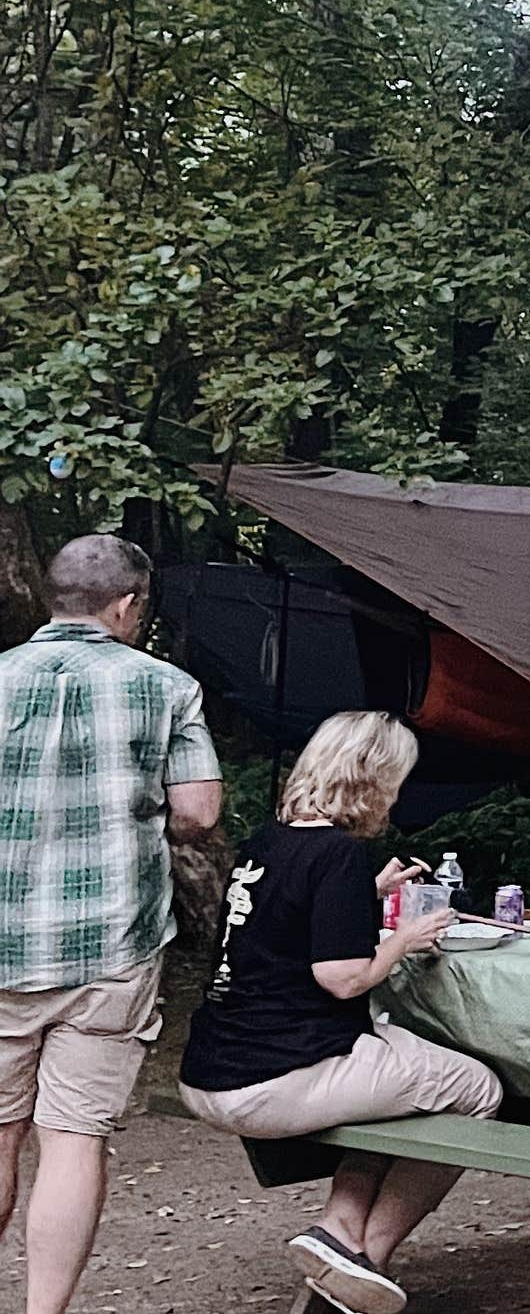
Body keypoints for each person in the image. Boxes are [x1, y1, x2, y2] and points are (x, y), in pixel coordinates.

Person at [179, 711, 499, 1314]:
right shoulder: (338, 854)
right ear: (372, 780)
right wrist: (403, 939)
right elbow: (344, 979)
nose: (398, 794)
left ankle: (340, 1232)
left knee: (404, 1079)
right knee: (475, 1089)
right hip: (272, 1078)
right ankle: (365, 1258)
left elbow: (287, 919)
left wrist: (365, 894)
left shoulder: (270, 842)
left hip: (211, 1067)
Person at [0, 533, 224, 1314]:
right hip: (110, 947)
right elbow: (199, 810)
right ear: (126, 606)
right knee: (72, 1137)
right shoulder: (166, 687)